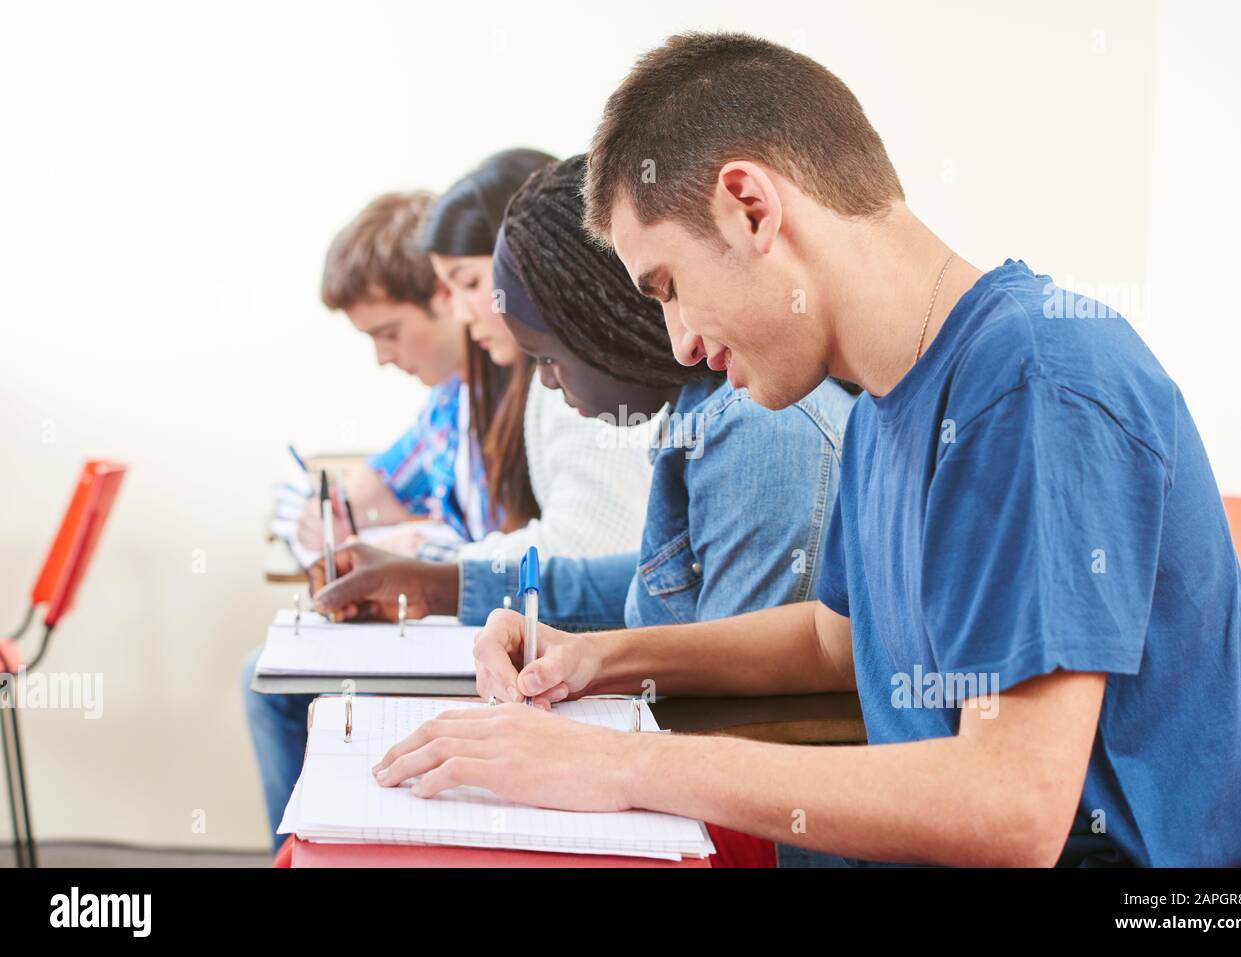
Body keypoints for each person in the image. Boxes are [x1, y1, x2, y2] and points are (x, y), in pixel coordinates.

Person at [370, 33, 1241, 867]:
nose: (680, 341)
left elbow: (1012, 806)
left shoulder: (1034, 381)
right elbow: (831, 640)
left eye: (669, 287)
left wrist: (619, 764)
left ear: (751, 208)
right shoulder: (890, 396)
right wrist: (594, 656)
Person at [242, 150, 654, 849]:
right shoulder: (483, 396)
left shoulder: (560, 389)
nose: (472, 310)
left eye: (471, 284)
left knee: (281, 690)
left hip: (553, 646)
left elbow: (590, 556)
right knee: (280, 685)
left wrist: (434, 566)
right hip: (528, 633)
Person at [312, 154, 854, 650]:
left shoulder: (753, 425)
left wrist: (588, 667)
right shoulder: (697, 414)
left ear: (603, 324)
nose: (546, 385)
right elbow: (648, 582)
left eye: (547, 359)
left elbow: (737, 674)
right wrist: (437, 586)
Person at [296, 191, 510, 558]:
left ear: (444, 293)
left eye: (389, 334)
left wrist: (422, 553)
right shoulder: (449, 400)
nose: (382, 357)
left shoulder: (525, 390)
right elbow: (383, 485)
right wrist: (332, 511)